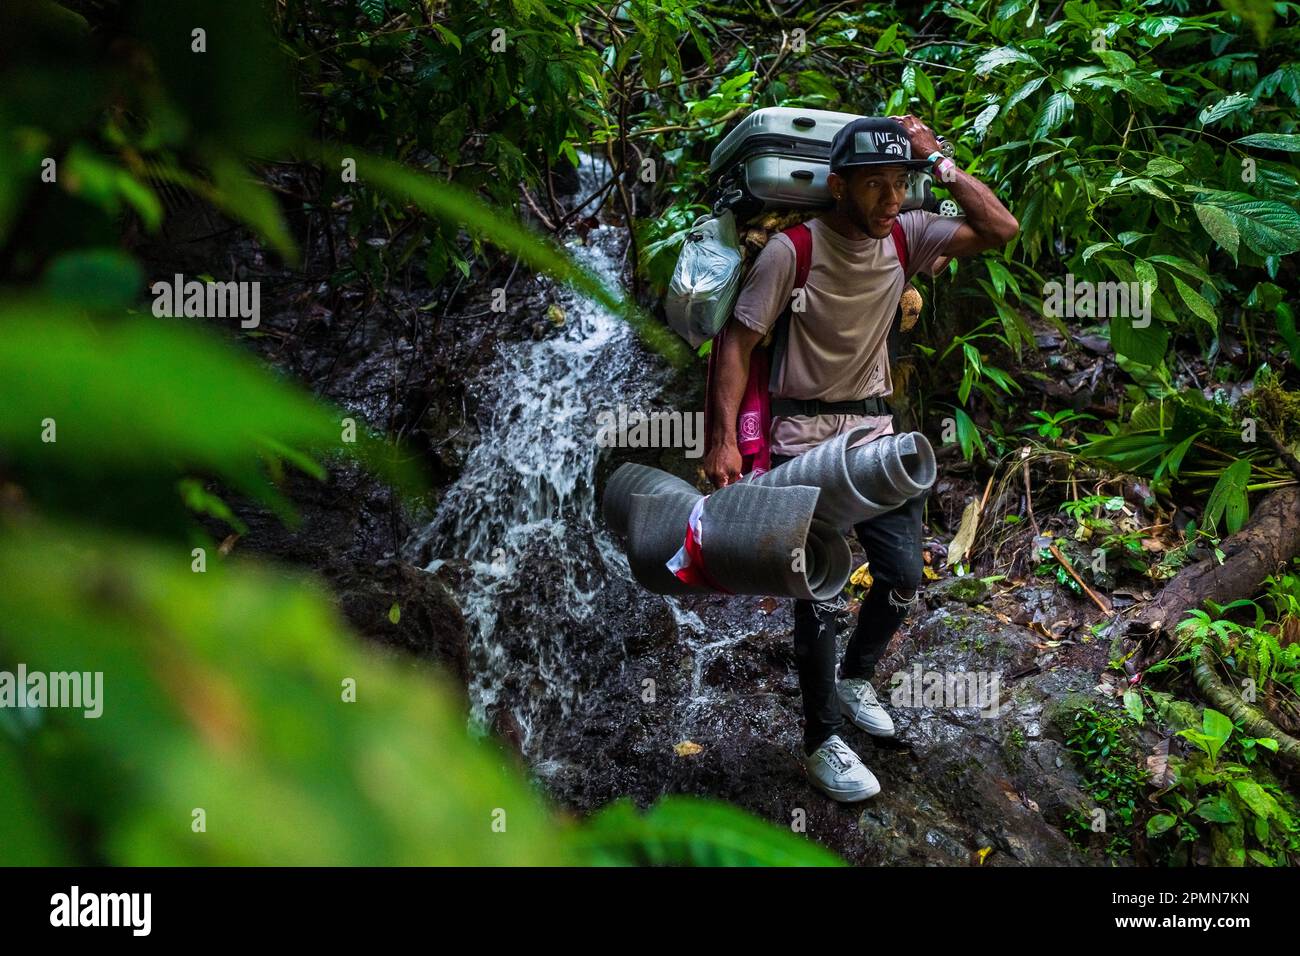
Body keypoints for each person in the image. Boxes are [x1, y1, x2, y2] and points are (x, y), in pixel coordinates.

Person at [702, 115, 1018, 802]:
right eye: (874, 186)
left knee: (904, 578)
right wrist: (722, 437)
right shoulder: (793, 251)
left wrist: (940, 162)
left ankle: (856, 677)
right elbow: (737, 342)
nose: (889, 201)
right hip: (803, 444)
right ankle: (822, 742)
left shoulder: (908, 235)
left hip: (875, 437)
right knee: (817, 595)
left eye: (899, 184)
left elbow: (1001, 229)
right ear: (837, 186)